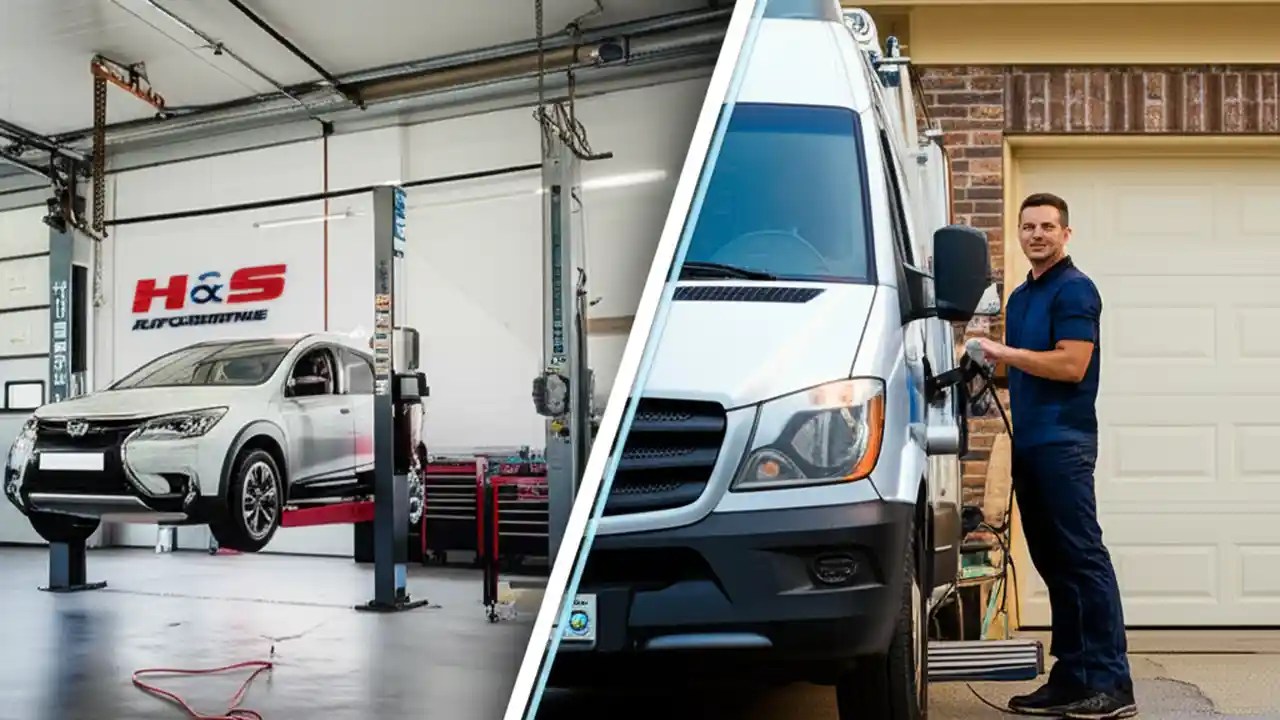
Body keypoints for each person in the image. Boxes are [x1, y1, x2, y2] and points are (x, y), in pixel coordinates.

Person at [975, 192, 1136, 719]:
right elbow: (1025, 366)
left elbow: (1070, 365)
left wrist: (1004, 353)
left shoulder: (1075, 290)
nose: (1037, 234)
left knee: (1082, 558)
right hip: (1031, 444)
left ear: (1066, 234)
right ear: (1019, 234)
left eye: (1047, 226)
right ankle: (1071, 678)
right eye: (1028, 227)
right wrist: (979, 362)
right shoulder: (1022, 298)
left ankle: (1112, 684)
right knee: (1052, 562)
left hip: (1064, 444)